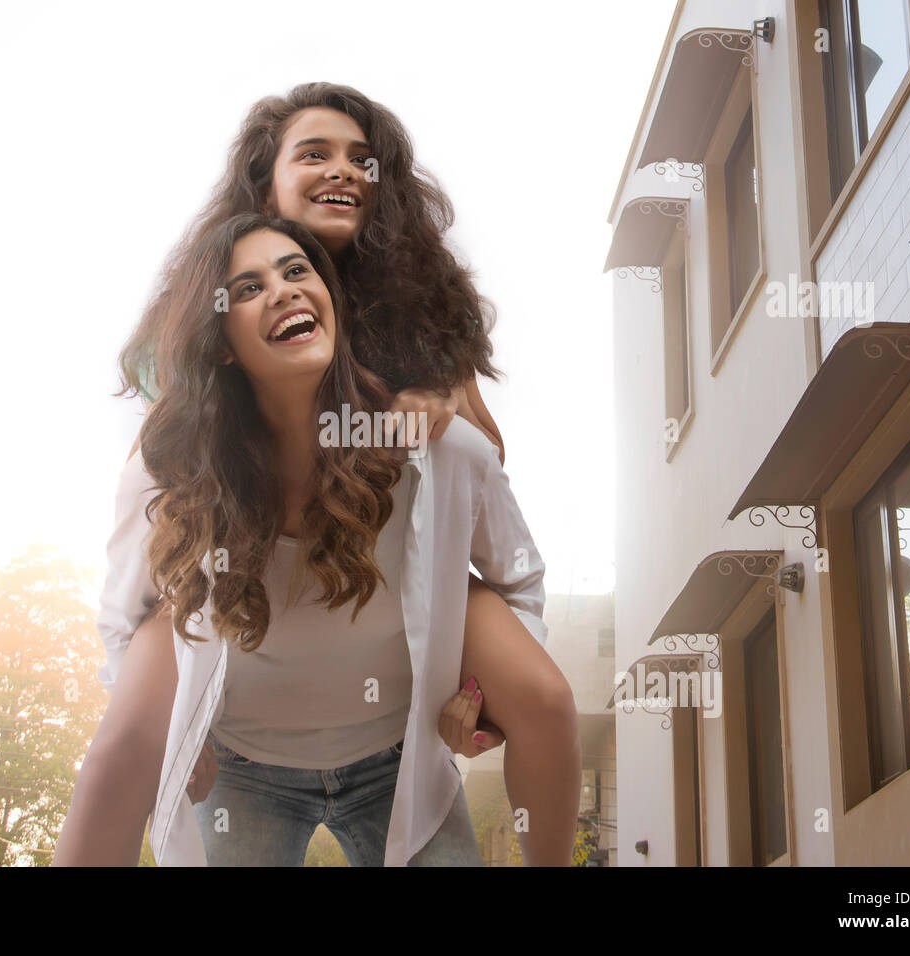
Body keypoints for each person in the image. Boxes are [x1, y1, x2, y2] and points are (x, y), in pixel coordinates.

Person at [104, 83, 580, 865]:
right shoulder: (210, 305)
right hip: (257, 616)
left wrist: (436, 397)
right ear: (265, 184)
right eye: (316, 153)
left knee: (538, 689)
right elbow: (160, 483)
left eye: (365, 159)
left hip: (390, 594)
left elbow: (479, 478)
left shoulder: (420, 309)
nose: (346, 170)